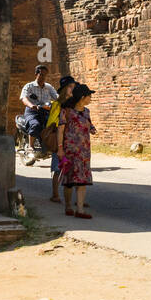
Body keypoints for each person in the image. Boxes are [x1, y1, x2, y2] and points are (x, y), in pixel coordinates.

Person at [57, 83, 96, 219]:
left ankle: (80, 210)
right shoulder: (67, 111)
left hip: (84, 151)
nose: (91, 98)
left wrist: (92, 129)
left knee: (82, 180)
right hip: (70, 150)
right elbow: (60, 130)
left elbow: (89, 125)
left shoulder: (86, 112)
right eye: (89, 96)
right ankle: (68, 205)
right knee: (69, 181)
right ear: (82, 97)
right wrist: (60, 148)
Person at [17, 65, 58, 161]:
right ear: (36, 74)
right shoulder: (29, 86)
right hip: (32, 111)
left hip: (46, 111)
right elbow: (24, 98)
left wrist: (65, 99)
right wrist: (31, 105)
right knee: (35, 124)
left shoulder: (48, 87)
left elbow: (56, 96)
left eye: (45, 75)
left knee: (55, 126)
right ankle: (31, 147)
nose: (43, 77)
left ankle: (50, 145)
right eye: (41, 74)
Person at [47, 75, 76, 203]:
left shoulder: (75, 104)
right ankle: (55, 194)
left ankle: (77, 197)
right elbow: (53, 123)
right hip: (60, 140)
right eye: (70, 87)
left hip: (71, 141)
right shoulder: (57, 104)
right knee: (58, 169)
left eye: (73, 87)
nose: (72, 90)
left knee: (72, 169)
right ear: (65, 89)